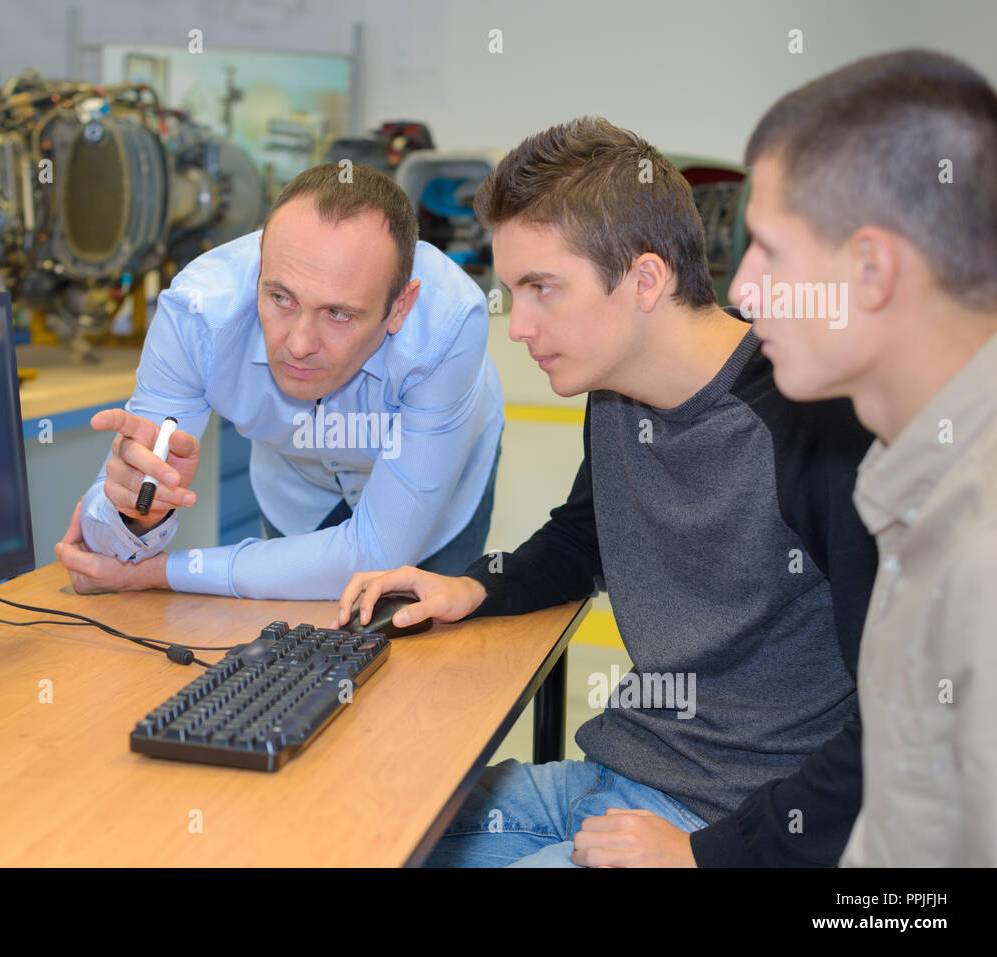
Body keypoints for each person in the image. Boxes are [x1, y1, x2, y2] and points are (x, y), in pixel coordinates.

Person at [339, 116, 879, 867]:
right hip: (615, 770)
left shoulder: (812, 424)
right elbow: (584, 534)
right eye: (510, 293)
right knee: (355, 829)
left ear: (645, 280)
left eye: (541, 290)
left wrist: (707, 854)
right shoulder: (617, 391)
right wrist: (472, 586)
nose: (518, 325)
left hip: (727, 818)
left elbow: (899, 722)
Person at [730, 49, 997, 866]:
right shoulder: (916, 483)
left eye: (768, 251)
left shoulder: (981, 552)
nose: (742, 289)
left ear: (873, 269)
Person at [55, 161, 503, 600]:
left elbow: (378, 550)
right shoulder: (198, 315)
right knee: (293, 652)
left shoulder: (447, 327)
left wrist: (162, 572)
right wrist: (134, 514)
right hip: (297, 492)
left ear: (400, 307)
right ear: (259, 267)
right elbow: (103, 545)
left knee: (429, 655)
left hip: (433, 499)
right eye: (281, 298)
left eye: (339, 313)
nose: (299, 344)